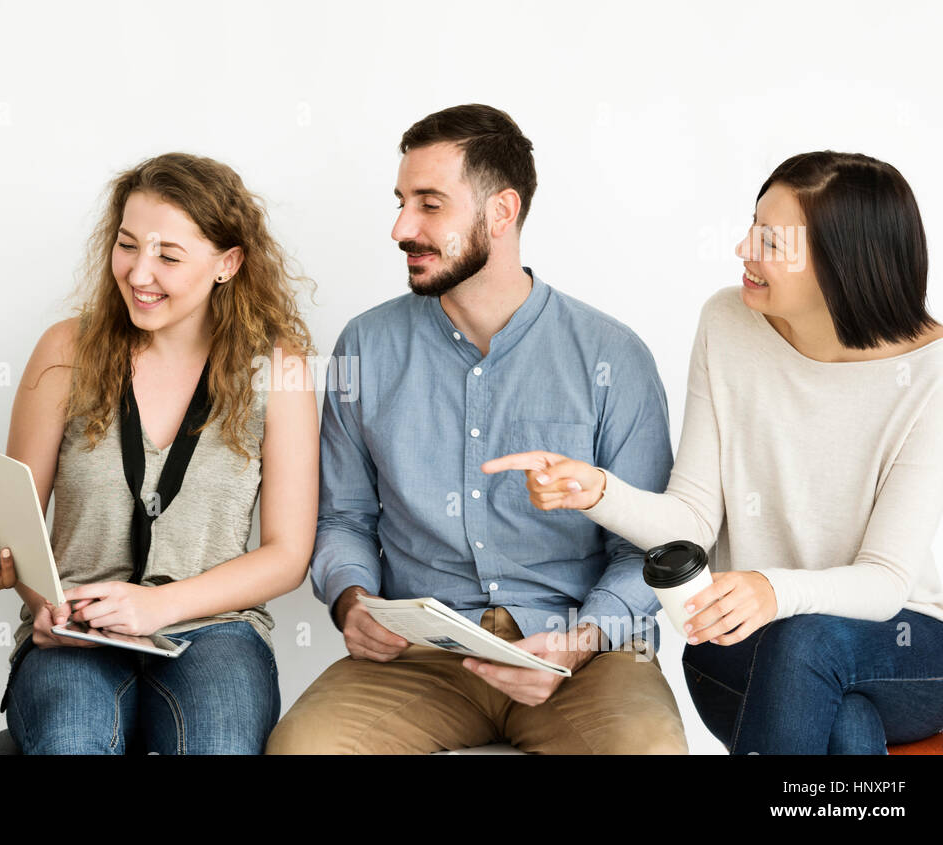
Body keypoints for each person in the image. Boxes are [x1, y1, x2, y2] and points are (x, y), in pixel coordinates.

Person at [493, 151, 943, 754]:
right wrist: (598, 491)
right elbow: (693, 519)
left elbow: (885, 580)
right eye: (750, 226)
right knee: (844, 723)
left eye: (770, 239)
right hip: (740, 651)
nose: (743, 248)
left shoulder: (933, 372)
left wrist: (772, 589)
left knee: (808, 644)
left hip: (900, 647)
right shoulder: (728, 322)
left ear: (843, 261)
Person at [266, 104, 689, 755]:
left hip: (587, 653)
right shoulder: (365, 345)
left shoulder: (612, 355)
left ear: (501, 211)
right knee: (303, 748)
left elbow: (650, 550)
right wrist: (352, 601)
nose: (401, 227)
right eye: (402, 201)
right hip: (422, 656)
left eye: (429, 204)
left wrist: (578, 643)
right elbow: (345, 517)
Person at [0, 152, 318, 755]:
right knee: (69, 744)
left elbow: (287, 554)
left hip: (215, 629)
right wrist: (49, 606)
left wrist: (157, 606)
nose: (138, 274)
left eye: (168, 256)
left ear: (228, 263)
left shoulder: (278, 370)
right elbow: (16, 520)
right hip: (80, 624)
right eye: (127, 245)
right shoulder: (65, 349)